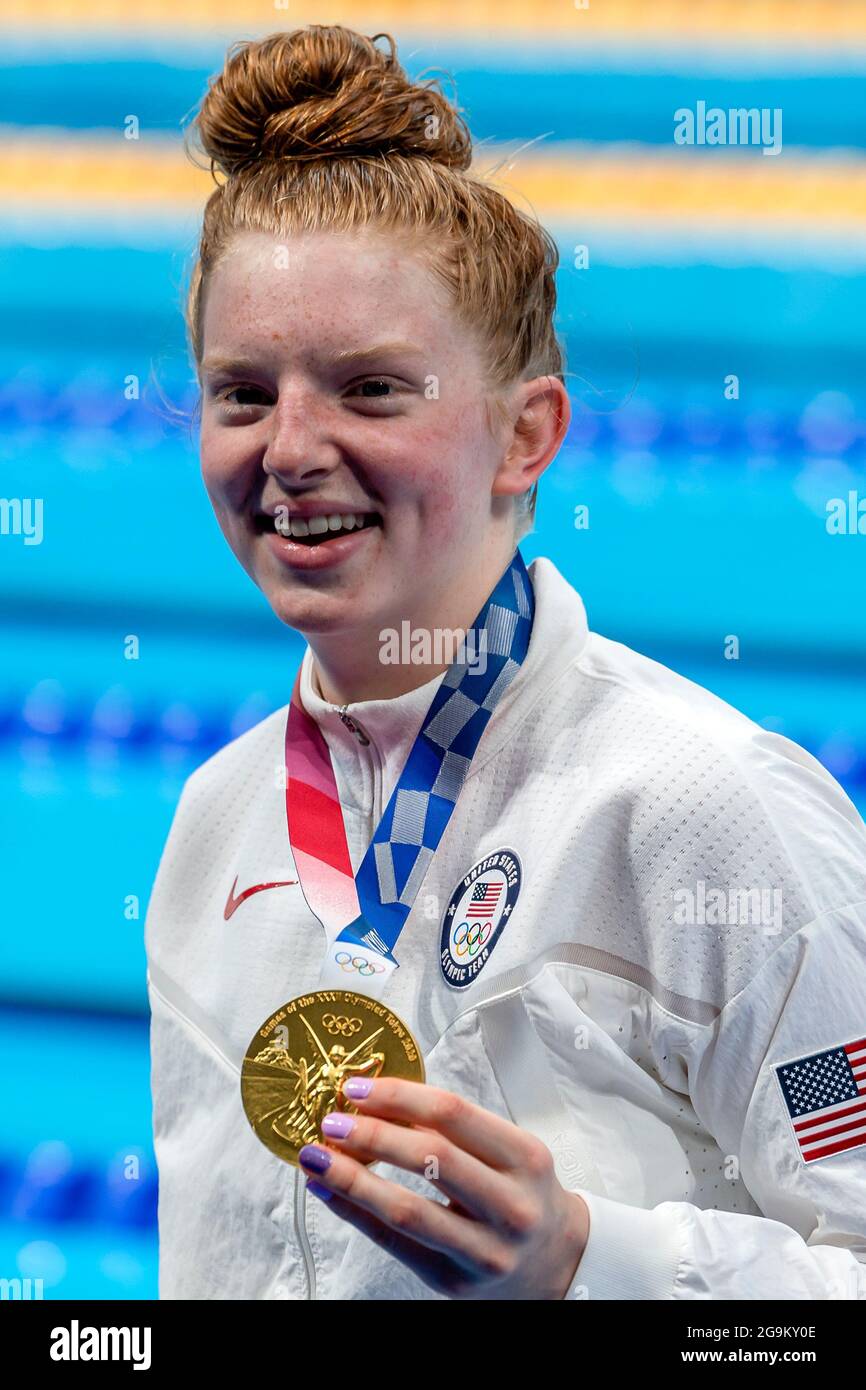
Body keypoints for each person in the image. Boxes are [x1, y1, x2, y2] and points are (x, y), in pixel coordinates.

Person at [144, 23, 866, 1300]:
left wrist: (592, 1262)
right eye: (242, 392)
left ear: (525, 433)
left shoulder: (708, 811)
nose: (291, 449)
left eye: (370, 390)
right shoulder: (216, 826)